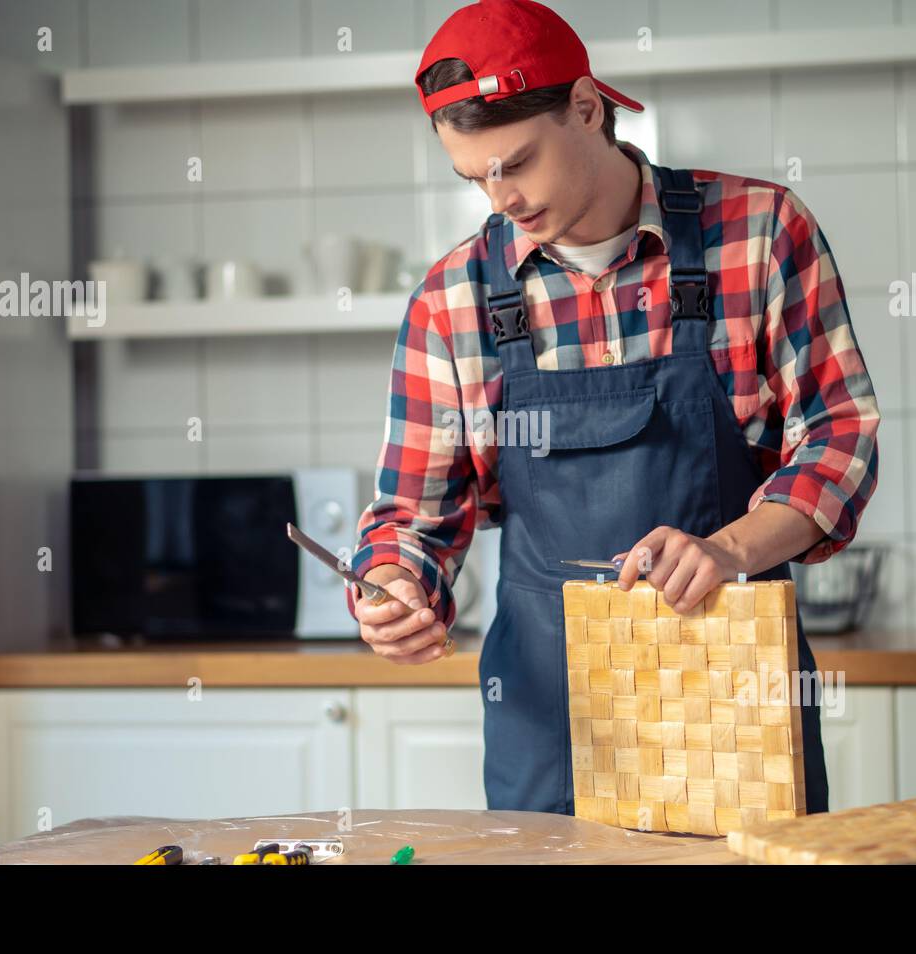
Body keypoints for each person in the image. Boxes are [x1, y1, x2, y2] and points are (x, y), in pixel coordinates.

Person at [345, 0, 880, 817]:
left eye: (516, 163)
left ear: (587, 107)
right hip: (551, 735)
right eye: (475, 176)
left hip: (738, 713)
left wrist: (729, 549)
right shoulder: (449, 302)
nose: (501, 199)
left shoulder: (761, 232)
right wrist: (392, 593)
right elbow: (410, 522)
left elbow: (839, 440)